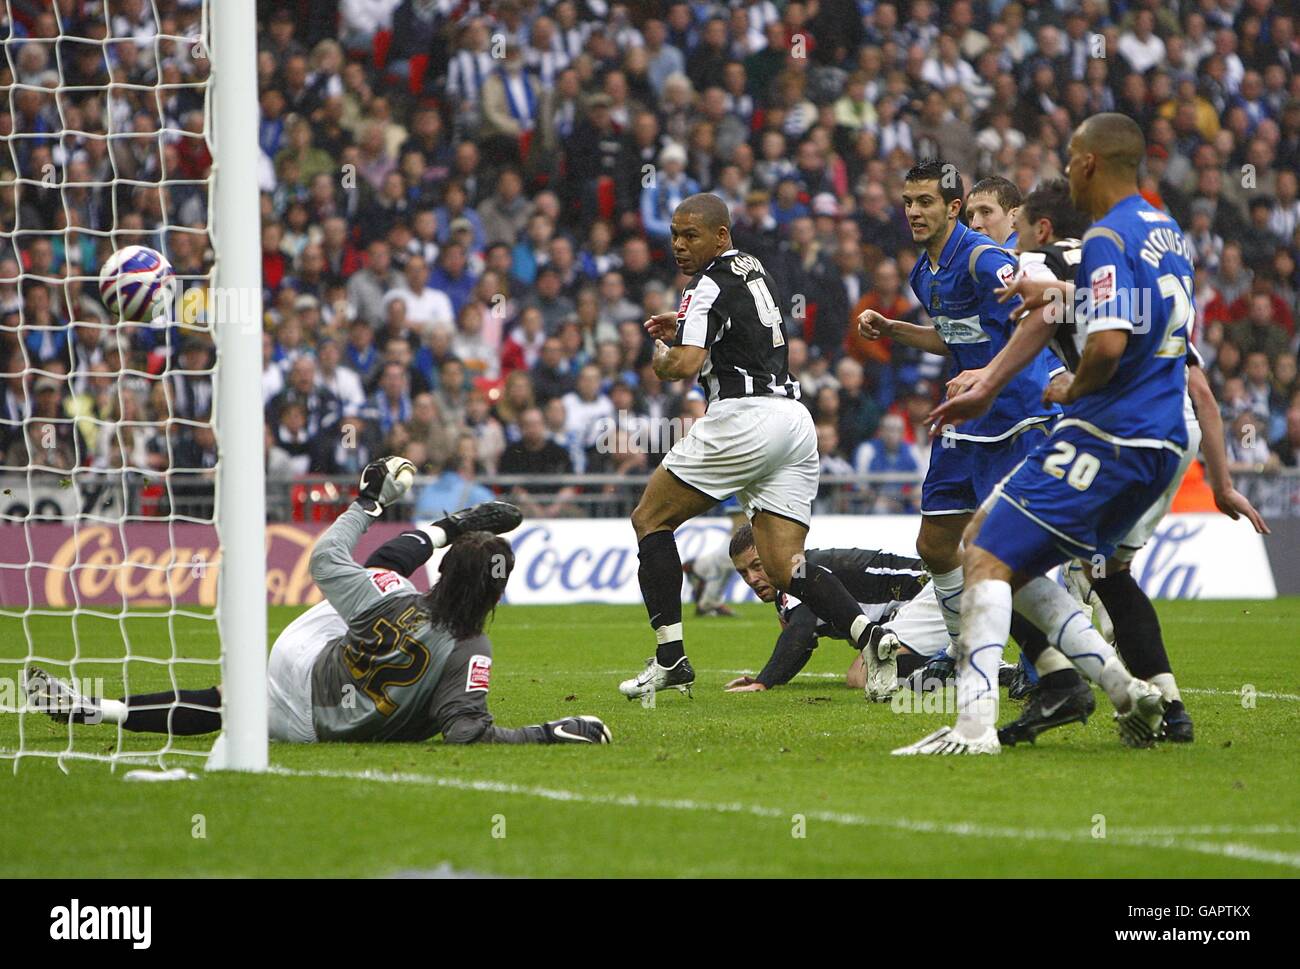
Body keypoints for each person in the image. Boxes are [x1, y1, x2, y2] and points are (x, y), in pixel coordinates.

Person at [894, 114, 1200, 755]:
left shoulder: (1106, 236)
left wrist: (1071, 385)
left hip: (1102, 429)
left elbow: (1108, 343)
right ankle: (1127, 690)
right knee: (1018, 555)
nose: (1063, 169)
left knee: (990, 554)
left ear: (1088, 162)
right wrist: (995, 368)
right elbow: (1065, 314)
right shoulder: (1164, 232)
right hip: (1165, 437)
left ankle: (978, 724)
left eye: (1068, 157)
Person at [935, 177, 1269, 744]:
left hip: (1115, 430)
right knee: (1108, 573)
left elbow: (1042, 293)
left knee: (992, 551)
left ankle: (1046, 690)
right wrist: (1221, 481)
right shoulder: (1128, 274)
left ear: (1040, 227)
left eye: (1012, 227)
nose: (1010, 243)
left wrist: (997, 378)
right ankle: (1162, 705)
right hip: (1173, 437)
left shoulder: (1048, 257)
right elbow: (1203, 392)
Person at [25, 478, 611, 747]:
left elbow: (329, 557)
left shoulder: (398, 597)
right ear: (494, 597)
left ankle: (91, 710)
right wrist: (549, 733)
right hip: (317, 727)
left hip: (305, 667)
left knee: (377, 571)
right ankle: (93, 711)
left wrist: (370, 501)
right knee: (234, 707)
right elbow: (466, 731)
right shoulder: (471, 652)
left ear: (445, 572)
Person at [620, 193, 891, 701]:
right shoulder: (752, 268)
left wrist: (664, 356)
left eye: (690, 235)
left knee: (650, 519)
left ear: (720, 235)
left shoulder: (704, 284)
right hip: (792, 420)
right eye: (674, 235)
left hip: (744, 419)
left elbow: (682, 366)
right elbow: (738, 330)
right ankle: (873, 639)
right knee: (787, 565)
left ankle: (670, 658)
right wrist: (685, 327)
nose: (679, 245)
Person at [855, 160, 1059, 695]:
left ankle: (1045, 671)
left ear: (952, 207)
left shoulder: (983, 257)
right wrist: (895, 328)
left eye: (925, 202)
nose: (914, 212)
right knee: (935, 542)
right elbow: (954, 338)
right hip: (966, 419)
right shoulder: (924, 272)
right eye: (908, 202)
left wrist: (989, 371)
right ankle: (962, 646)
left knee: (1017, 546)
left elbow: (1048, 302)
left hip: (1019, 414)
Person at [720, 523, 951, 697]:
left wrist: (763, 682)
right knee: (868, 668)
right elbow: (803, 645)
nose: (752, 579)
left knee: (862, 674)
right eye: (743, 573)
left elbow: (800, 630)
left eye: (757, 566)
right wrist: (769, 679)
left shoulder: (798, 573)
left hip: (930, 593)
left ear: (773, 553)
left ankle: (961, 667)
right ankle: (959, 659)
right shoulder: (795, 580)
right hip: (932, 594)